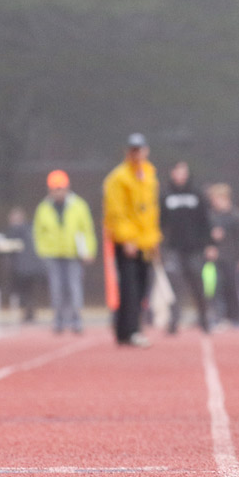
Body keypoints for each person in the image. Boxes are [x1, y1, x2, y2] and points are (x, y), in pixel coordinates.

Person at [104, 135, 161, 347]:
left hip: (145, 242)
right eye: (133, 150)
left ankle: (127, 330)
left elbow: (150, 211)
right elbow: (117, 211)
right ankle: (130, 330)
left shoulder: (149, 174)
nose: (137, 154)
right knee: (129, 288)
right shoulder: (118, 178)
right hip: (127, 242)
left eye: (140, 149)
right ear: (127, 152)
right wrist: (126, 238)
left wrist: (154, 239)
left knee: (142, 287)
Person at [32, 170, 96, 335]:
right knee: (56, 289)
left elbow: (87, 229)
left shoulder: (78, 205)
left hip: (73, 253)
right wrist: (42, 251)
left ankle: (76, 321)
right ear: (50, 190)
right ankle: (59, 321)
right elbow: (38, 232)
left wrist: (89, 250)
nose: (58, 191)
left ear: (67, 187)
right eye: (55, 188)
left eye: (61, 188)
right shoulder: (43, 207)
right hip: (52, 254)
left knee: (74, 287)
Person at [160, 162, 211, 335]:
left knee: (198, 285)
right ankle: (174, 321)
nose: (180, 175)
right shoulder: (166, 195)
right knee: (174, 286)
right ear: (172, 173)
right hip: (173, 248)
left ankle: (204, 320)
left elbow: (205, 221)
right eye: (177, 172)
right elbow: (160, 222)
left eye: (183, 172)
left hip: (194, 248)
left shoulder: (197, 194)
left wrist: (209, 244)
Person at [207, 183, 239, 329]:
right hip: (214, 259)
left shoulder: (235, 215)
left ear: (225, 198)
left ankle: (235, 317)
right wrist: (210, 242)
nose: (214, 202)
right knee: (215, 288)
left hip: (231, 257)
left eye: (216, 198)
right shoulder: (210, 215)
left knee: (232, 287)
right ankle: (218, 316)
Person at [3, 207, 44, 323]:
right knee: (29, 291)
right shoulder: (30, 228)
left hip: (23, 268)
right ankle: (29, 312)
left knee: (25, 291)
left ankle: (28, 312)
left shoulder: (15, 230)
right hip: (34, 266)